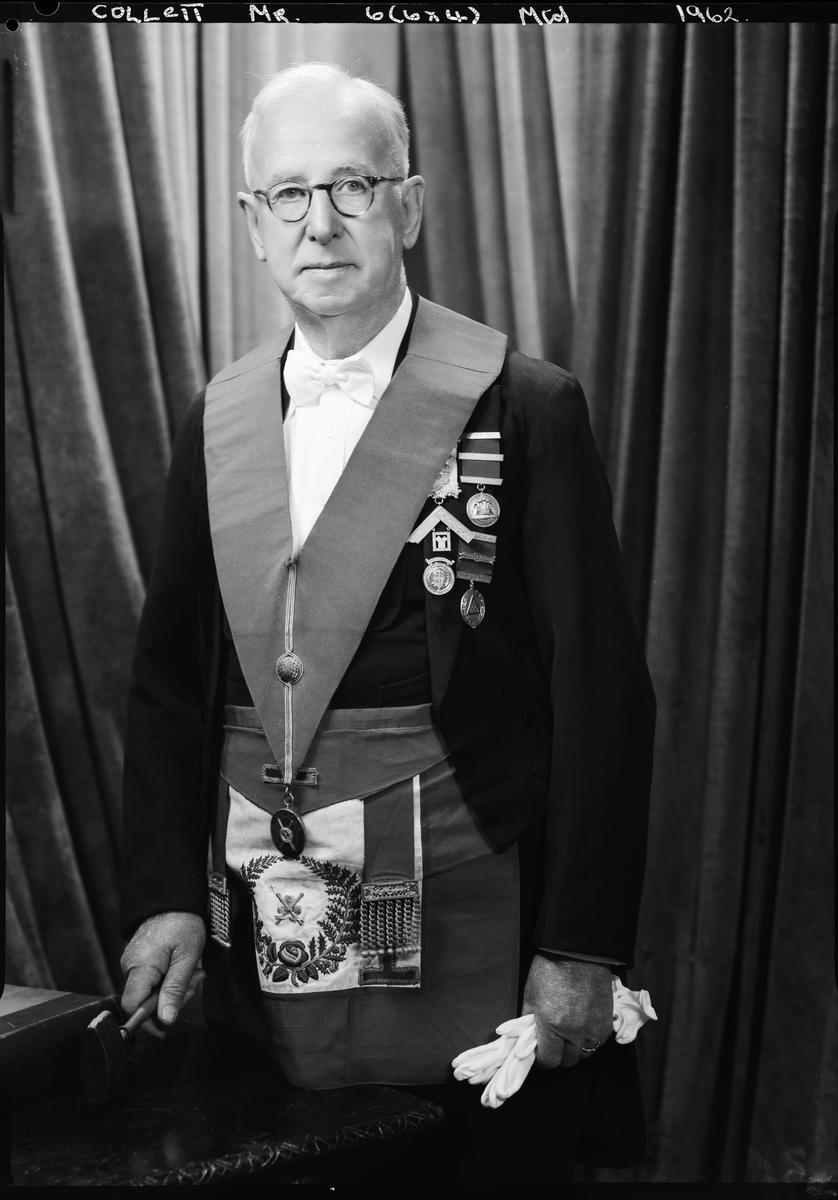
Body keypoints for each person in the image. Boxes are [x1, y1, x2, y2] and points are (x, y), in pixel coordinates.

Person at [119, 62, 656, 1194]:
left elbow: (602, 697)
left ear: (407, 208)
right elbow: (169, 687)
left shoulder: (525, 404)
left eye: (352, 186)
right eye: (289, 194)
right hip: (265, 930)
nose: (320, 223)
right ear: (254, 224)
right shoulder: (216, 418)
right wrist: (164, 895)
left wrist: (580, 948)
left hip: (470, 921)